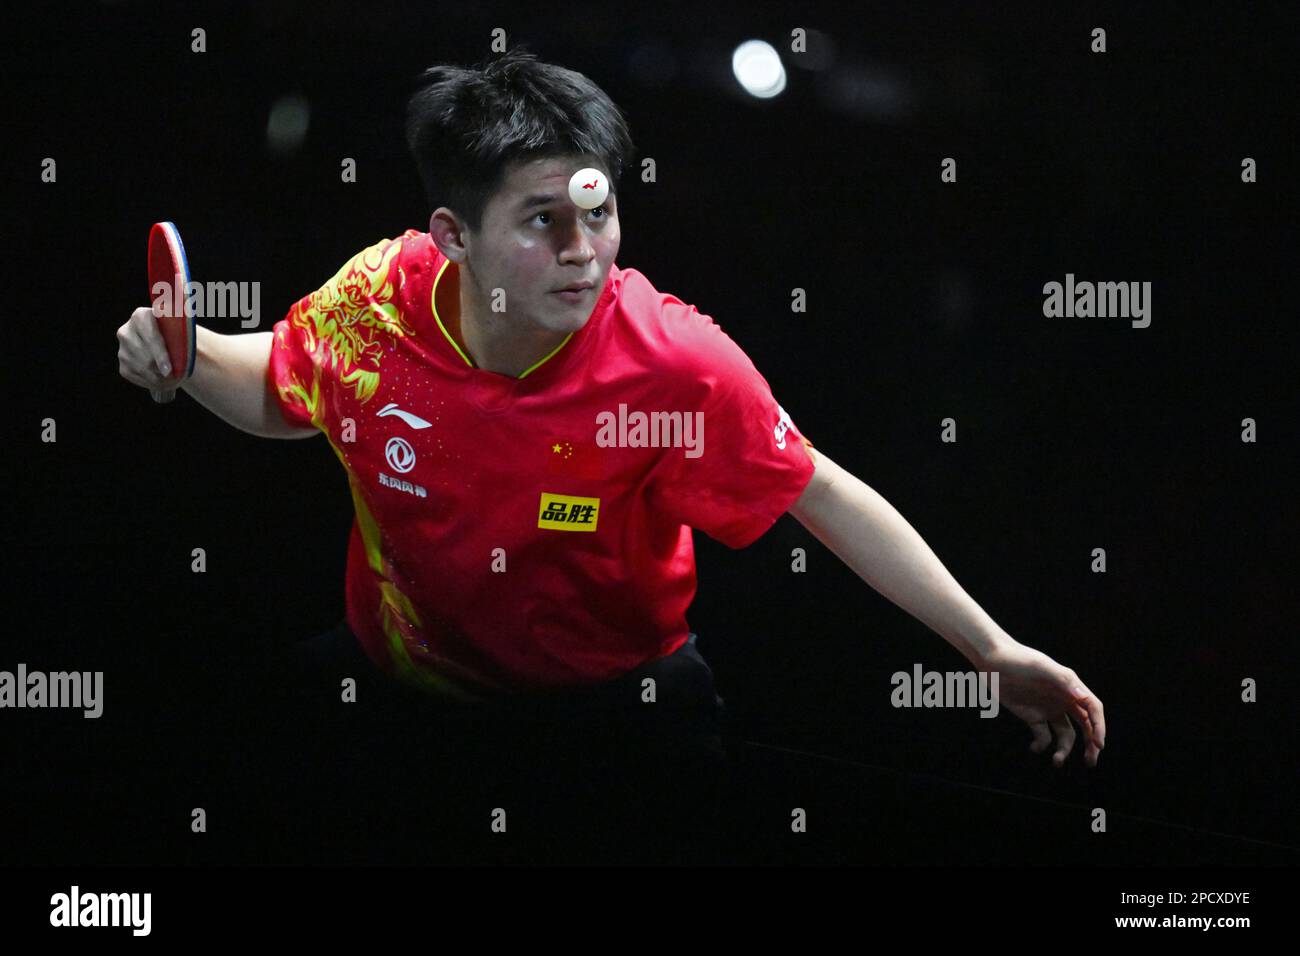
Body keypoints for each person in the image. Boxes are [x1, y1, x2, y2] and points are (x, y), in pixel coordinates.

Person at [116, 48, 1105, 863]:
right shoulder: (379, 303)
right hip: (402, 692)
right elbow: (286, 387)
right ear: (452, 235)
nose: (585, 250)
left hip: (611, 726)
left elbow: (822, 492)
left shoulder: (674, 367)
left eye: (599, 214)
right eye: (543, 222)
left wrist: (987, 648)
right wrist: (189, 350)